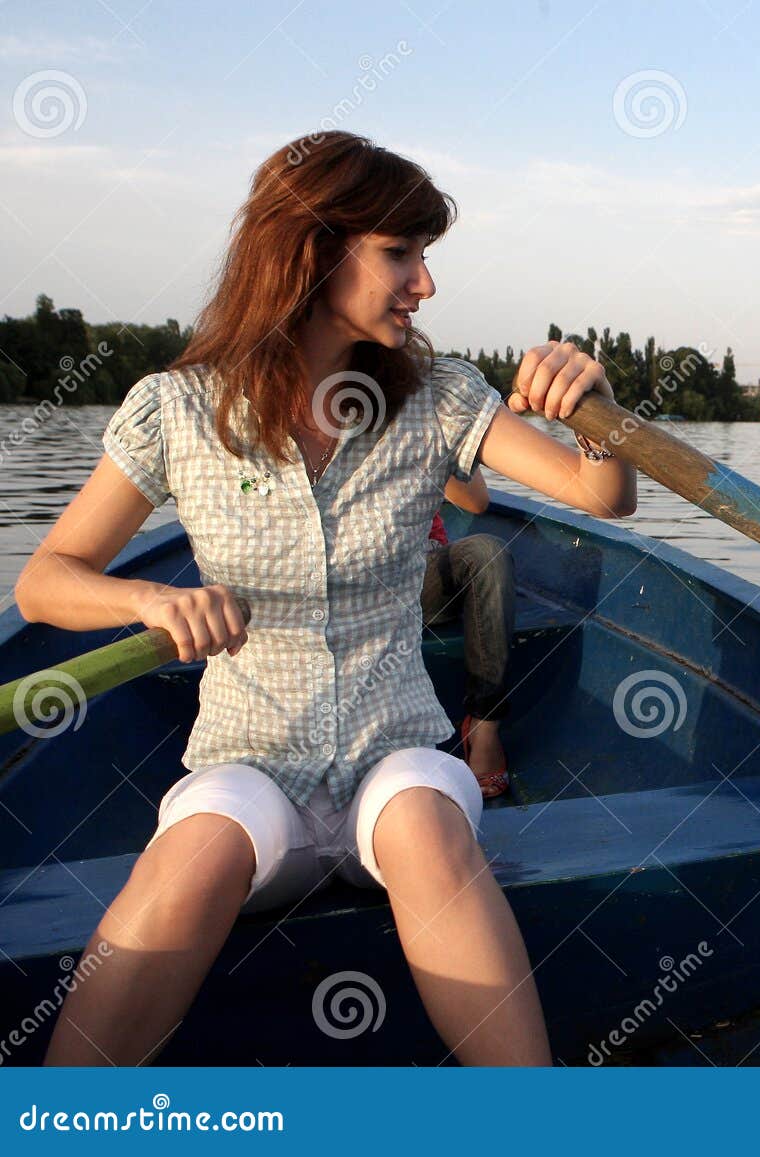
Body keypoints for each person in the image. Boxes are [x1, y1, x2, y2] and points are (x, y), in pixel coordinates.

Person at [11, 131, 636, 1066]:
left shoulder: (439, 396)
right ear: (312, 252)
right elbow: (45, 580)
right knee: (195, 852)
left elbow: (602, 495)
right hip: (249, 764)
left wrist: (599, 411)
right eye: (401, 253)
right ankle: (60, 1121)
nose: (426, 284)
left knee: (424, 821)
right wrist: (147, 599)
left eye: (425, 255)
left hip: (396, 758)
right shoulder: (176, 408)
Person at [428, 469, 514, 798]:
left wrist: (429, 450)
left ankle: (484, 725)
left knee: (488, 554)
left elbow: (476, 501)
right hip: (343, 575)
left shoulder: (415, 436)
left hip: (423, 568)